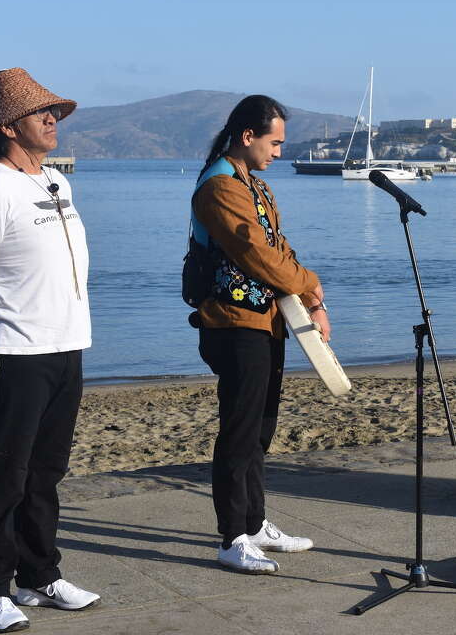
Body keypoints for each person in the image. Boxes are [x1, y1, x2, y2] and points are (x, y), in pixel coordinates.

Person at [0, 68, 100, 632]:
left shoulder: (58, 183)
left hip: (68, 347)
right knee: (6, 477)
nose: (53, 121)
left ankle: (39, 575)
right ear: (9, 127)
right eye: (42, 114)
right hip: (16, 353)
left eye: (55, 113)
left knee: (47, 473)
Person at [191, 95, 328, 574]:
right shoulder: (220, 187)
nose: (279, 152)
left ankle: (254, 522)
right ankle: (232, 537)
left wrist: (313, 300)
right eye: (275, 142)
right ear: (247, 136)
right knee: (239, 431)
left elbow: (279, 246)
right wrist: (309, 282)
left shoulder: (256, 186)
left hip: (267, 320)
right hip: (233, 323)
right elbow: (257, 255)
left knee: (260, 431)